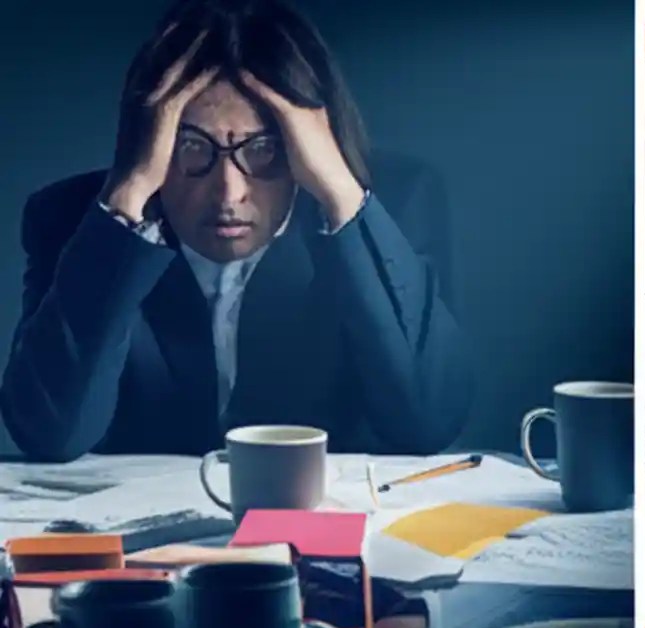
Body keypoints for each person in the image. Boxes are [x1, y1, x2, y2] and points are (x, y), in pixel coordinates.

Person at [0, 0, 473, 461]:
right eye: (191, 146)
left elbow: (427, 422)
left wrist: (341, 195)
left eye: (263, 148)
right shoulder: (76, 221)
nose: (228, 193)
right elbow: (49, 434)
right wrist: (127, 202)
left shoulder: (392, 208)